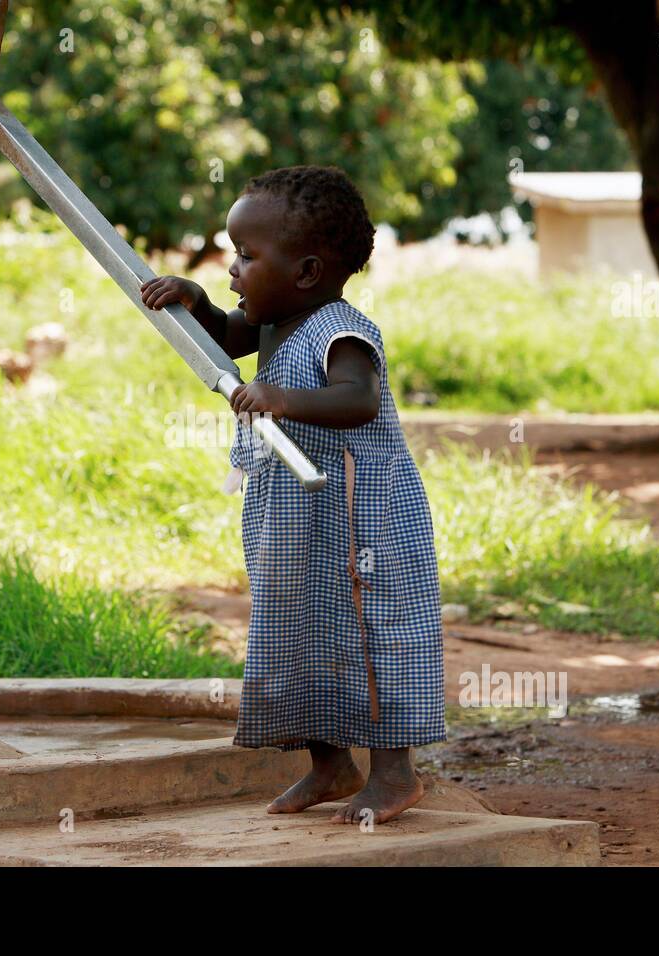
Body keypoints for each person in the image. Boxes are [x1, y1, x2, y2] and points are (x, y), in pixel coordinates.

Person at [140, 164, 445, 824]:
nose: (232, 270)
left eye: (245, 256)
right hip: (297, 517)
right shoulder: (271, 322)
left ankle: (394, 775)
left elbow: (357, 400)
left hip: (362, 523)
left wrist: (281, 398)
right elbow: (225, 333)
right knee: (298, 631)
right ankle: (329, 763)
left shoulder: (341, 327)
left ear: (306, 272)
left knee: (372, 637)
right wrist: (194, 300)